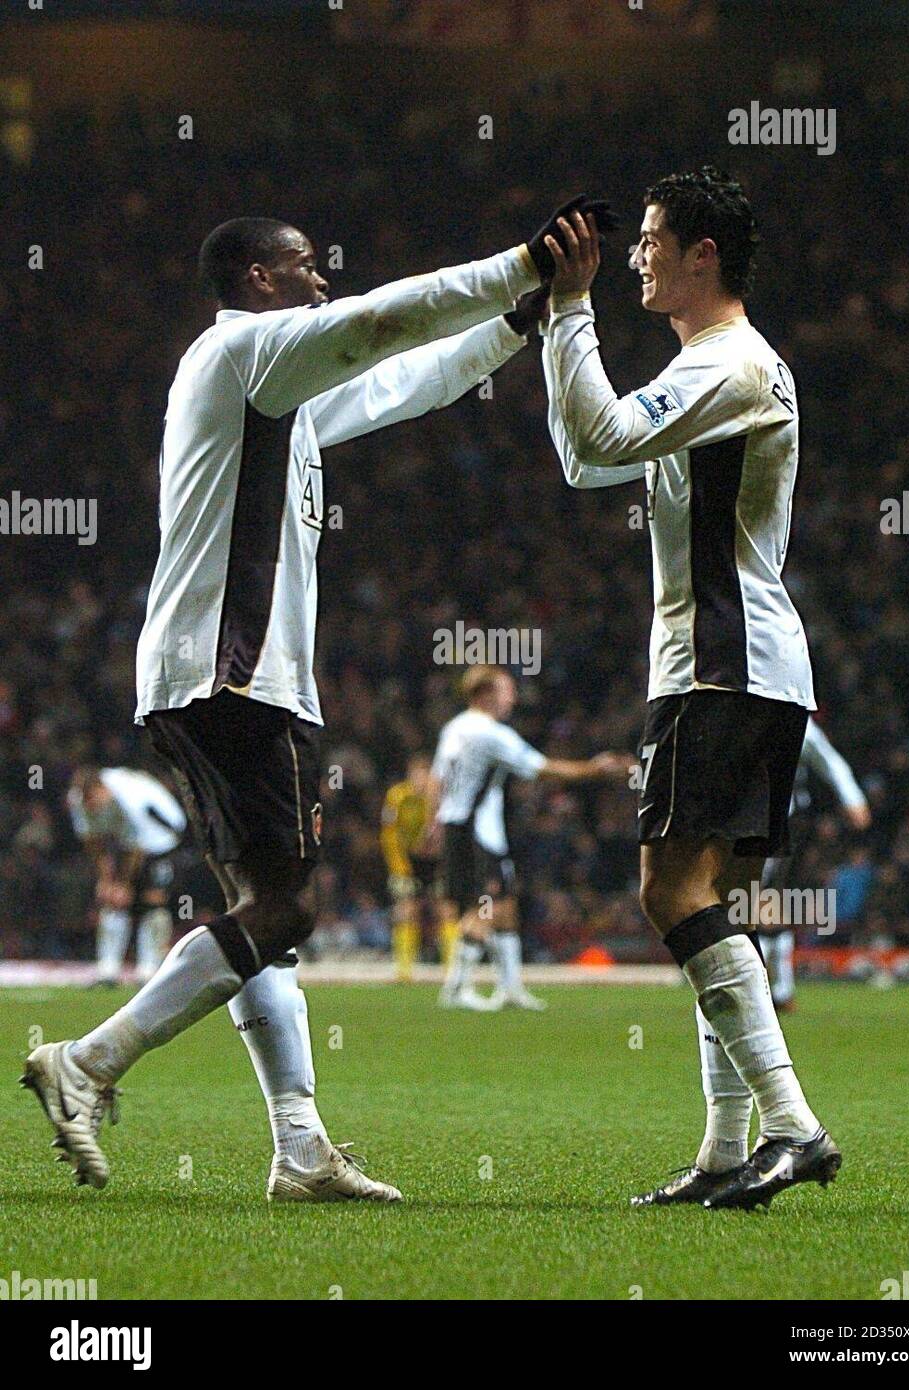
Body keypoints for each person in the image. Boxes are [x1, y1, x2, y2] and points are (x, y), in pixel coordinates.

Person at [22, 198, 616, 1199]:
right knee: (288, 906)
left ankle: (298, 1146)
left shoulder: (277, 391)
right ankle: (86, 1060)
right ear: (260, 280)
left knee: (263, 912)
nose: (321, 279)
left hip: (211, 674)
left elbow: (408, 378)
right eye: (304, 266)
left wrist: (519, 321)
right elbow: (388, 318)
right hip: (234, 675)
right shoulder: (249, 352)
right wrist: (524, 262)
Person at [541, 168, 841, 1210]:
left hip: (722, 665)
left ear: (701, 256)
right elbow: (590, 462)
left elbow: (598, 438)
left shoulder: (734, 364)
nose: (636, 254)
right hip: (741, 664)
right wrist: (561, 326)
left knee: (668, 892)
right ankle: (725, 1150)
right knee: (708, 902)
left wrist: (569, 308)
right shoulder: (717, 368)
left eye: (653, 237)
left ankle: (793, 1128)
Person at [432, 665, 626, 1011]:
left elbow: (437, 780)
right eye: (506, 690)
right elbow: (542, 768)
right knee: (488, 907)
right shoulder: (490, 733)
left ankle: (510, 988)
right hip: (478, 830)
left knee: (505, 907)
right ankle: (457, 987)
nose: (512, 698)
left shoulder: (454, 728)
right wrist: (595, 768)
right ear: (486, 694)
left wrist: (432, 824)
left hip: (458, 826)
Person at [758, 720, 871, 1010]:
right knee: (761, 902)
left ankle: (772, 990)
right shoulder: (738, 710)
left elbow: (827, 759)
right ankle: (777, 989)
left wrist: (853, 799)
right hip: (746, 821)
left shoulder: (792, 717)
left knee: (761, 901)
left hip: (777, 824)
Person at [67, 767, 186, 986]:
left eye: (95, 801)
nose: (92, 808)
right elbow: (93, 840)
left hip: (161, 835)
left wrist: (123, 884)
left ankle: (149, 969)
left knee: (152, 900)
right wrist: (106, 880)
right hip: (123, 840)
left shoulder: (129, 799)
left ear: (103, 790)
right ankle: (108, 968)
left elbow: (137, 847)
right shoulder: (78, 800)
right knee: (112, 901)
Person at [380, 754, 449, 980]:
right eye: (417, 774)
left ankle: (451, 969)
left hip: (436, 862)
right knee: (406, 908)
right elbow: (389, 835)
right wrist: (399, 867)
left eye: (426, 775)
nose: (421, 780)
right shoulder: (397, 796)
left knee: (446, 910)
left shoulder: (442, 798)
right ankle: (404, 971)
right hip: (407, 860)